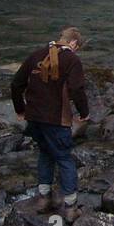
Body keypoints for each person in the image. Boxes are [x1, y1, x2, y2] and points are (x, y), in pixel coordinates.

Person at [10, 26, 91, 215]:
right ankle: (71, 206)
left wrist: (20, 109)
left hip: (34, 117)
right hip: (57, 118)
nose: (76, 50)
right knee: (64, 158)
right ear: (73, 43)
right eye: (77, 47)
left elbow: (16, 84)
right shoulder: (72, 59)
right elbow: (77, 89)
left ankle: (44, 197)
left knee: (45, 153)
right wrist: (84, 112)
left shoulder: (36, 55)